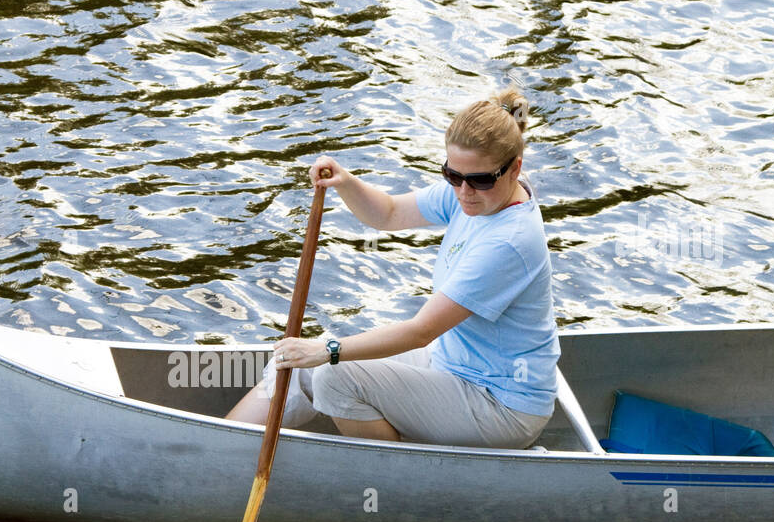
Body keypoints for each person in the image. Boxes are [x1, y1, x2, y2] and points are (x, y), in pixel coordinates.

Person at [224, 88, 559, 447]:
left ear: (515, 169)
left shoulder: (509, 241)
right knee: (301, 362)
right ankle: (218, 443)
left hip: (500, 405)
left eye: (479, 180)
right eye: (452, 175)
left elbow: (420, 332)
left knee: (333, 375)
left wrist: (328, 352)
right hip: (451, 362)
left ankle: (396, 475)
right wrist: (345, 182)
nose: (464, 192)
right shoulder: (473, 192)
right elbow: (388, 213)